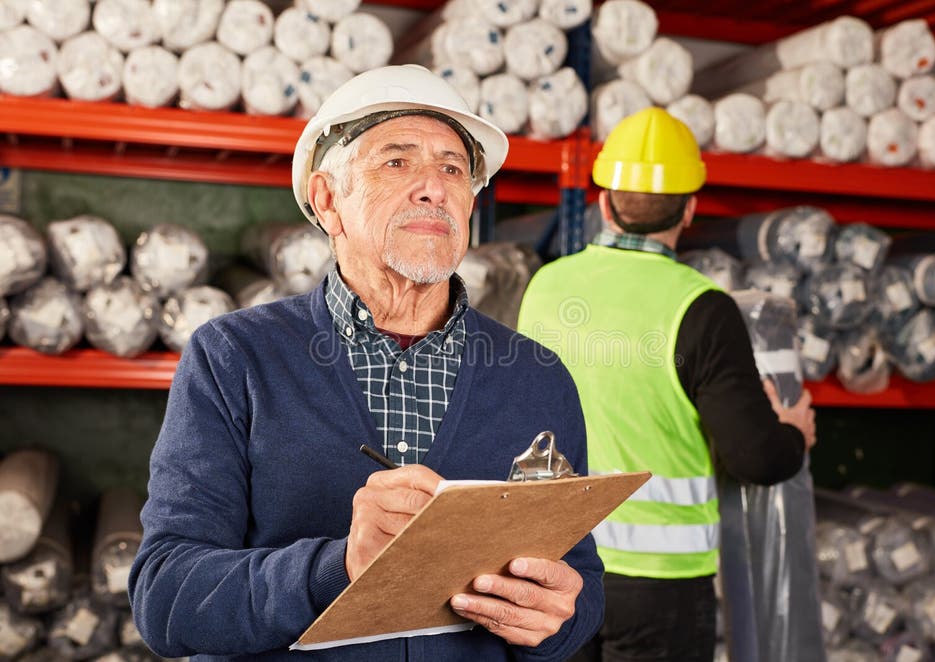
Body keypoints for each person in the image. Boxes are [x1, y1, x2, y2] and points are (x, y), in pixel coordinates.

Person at [129, 64, 604, 661]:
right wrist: (339, 566)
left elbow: (580, 584)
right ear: (328, 201)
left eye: (453, 168)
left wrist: (558, 618)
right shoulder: (235, 358)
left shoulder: (537, 378)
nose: (434, 186)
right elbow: (167, 598)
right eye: (397, 162)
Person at [517, 107, 817, 662]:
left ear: (604, 202)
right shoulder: (701, 308)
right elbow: (757, 458)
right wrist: (793, 434)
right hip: (661, 588)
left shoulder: (545, 287)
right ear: (690, 209)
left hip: (552, 568)